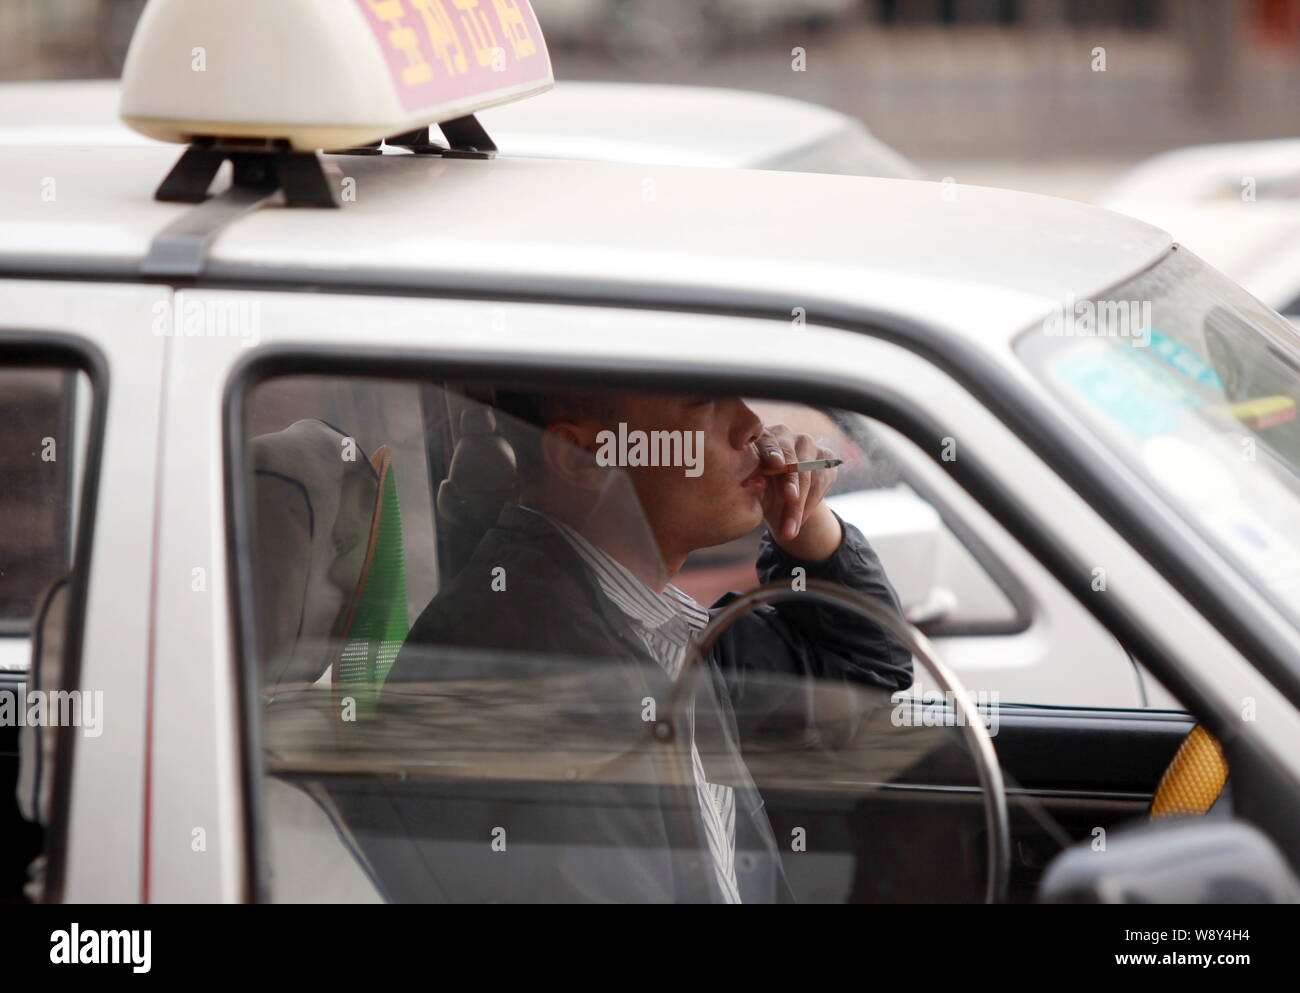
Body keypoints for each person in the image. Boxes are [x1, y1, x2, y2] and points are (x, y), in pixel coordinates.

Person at [388, 391, 912, 902]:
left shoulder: (643, 623)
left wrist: (804, 523)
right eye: (704, 400)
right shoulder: (537, 665)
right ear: (586, 455)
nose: (751, 426)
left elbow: (861, 673)